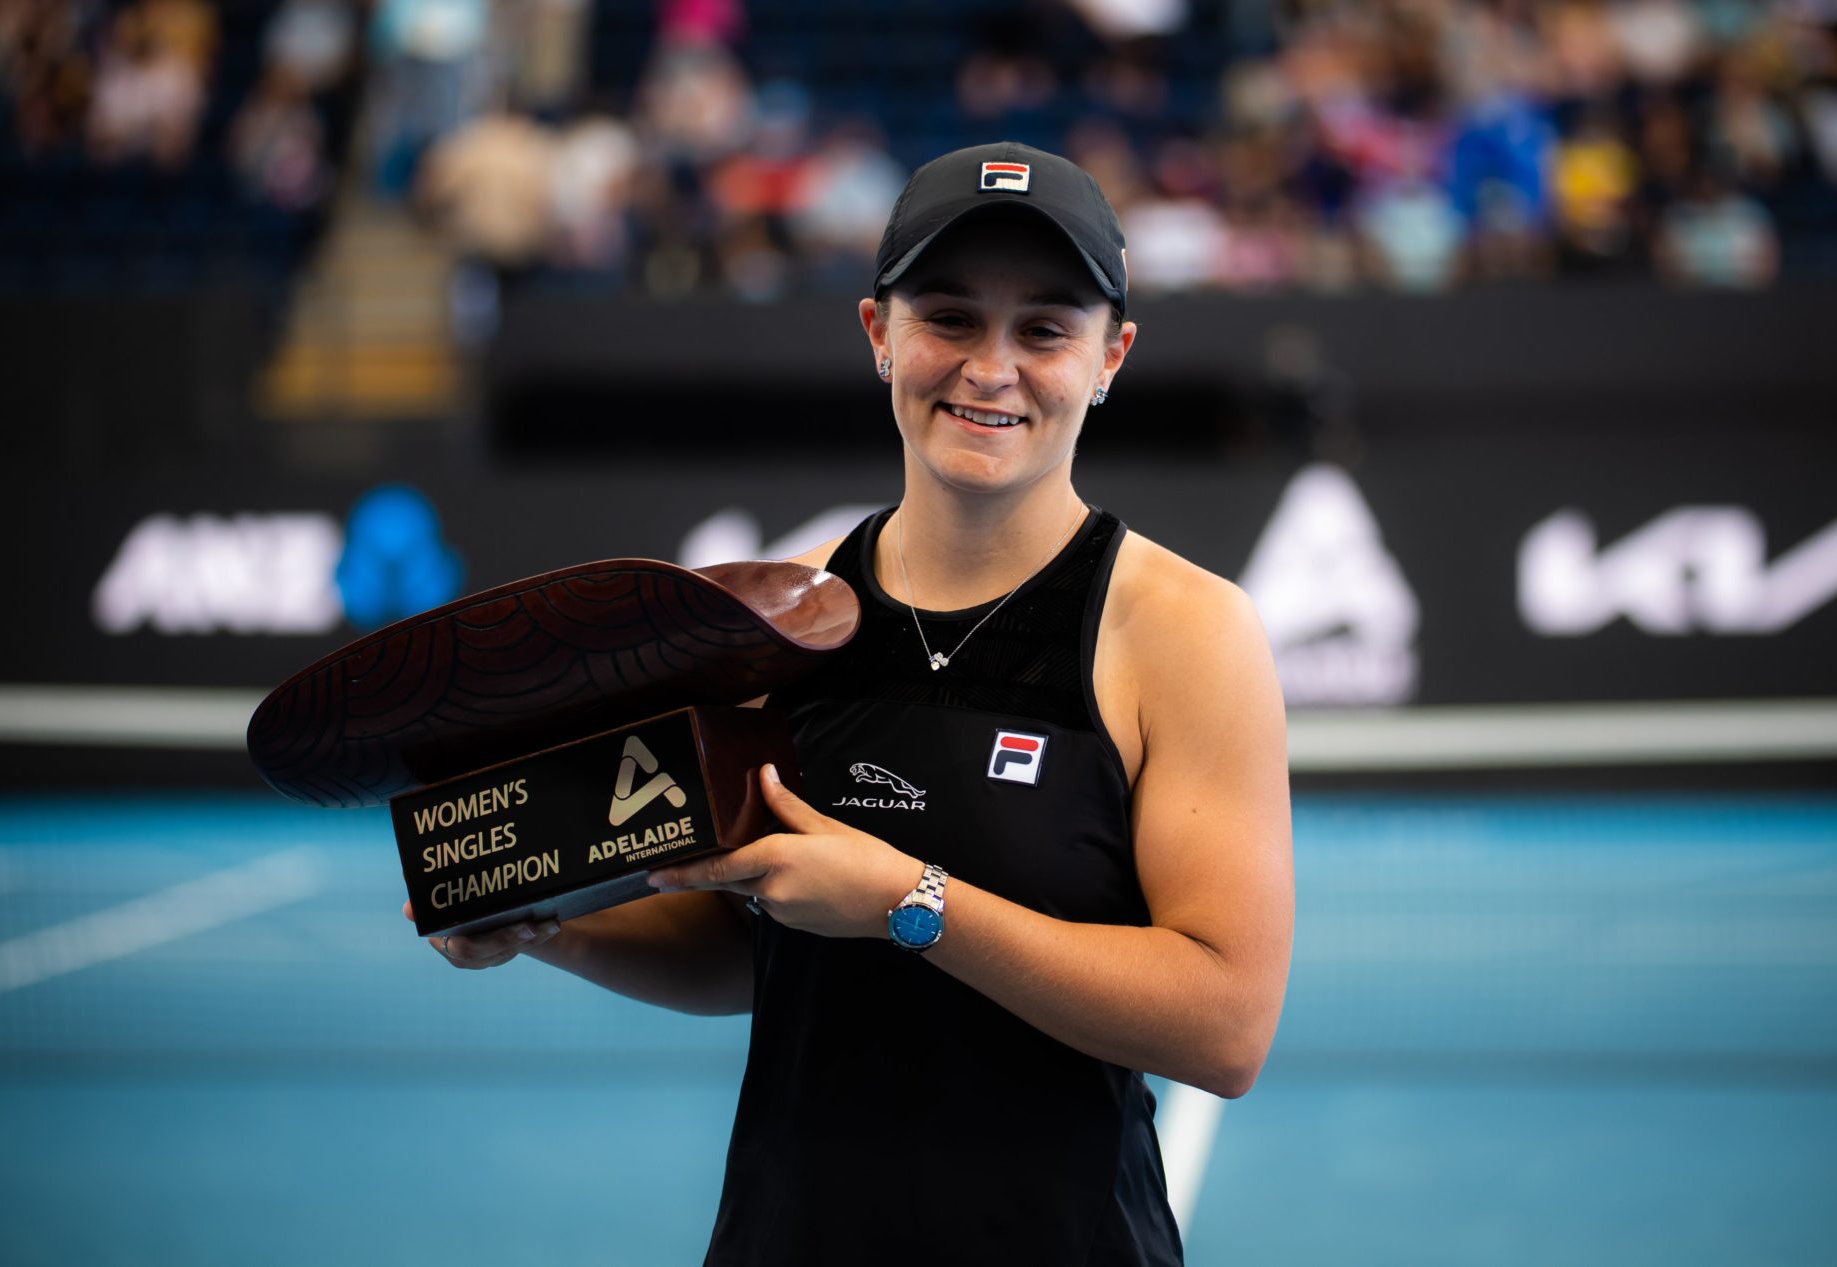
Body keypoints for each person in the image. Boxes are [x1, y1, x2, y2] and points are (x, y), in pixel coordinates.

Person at [412, 141, 1294, 1265]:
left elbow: (1224, 1026)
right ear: (879, 333)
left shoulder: (1184, 632)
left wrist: (907, 900)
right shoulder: (782, 617)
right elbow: (755, 951)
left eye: (1044, 329)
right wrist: (546, 924)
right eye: (950, 317)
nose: (990, 368)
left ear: (1110, 356)